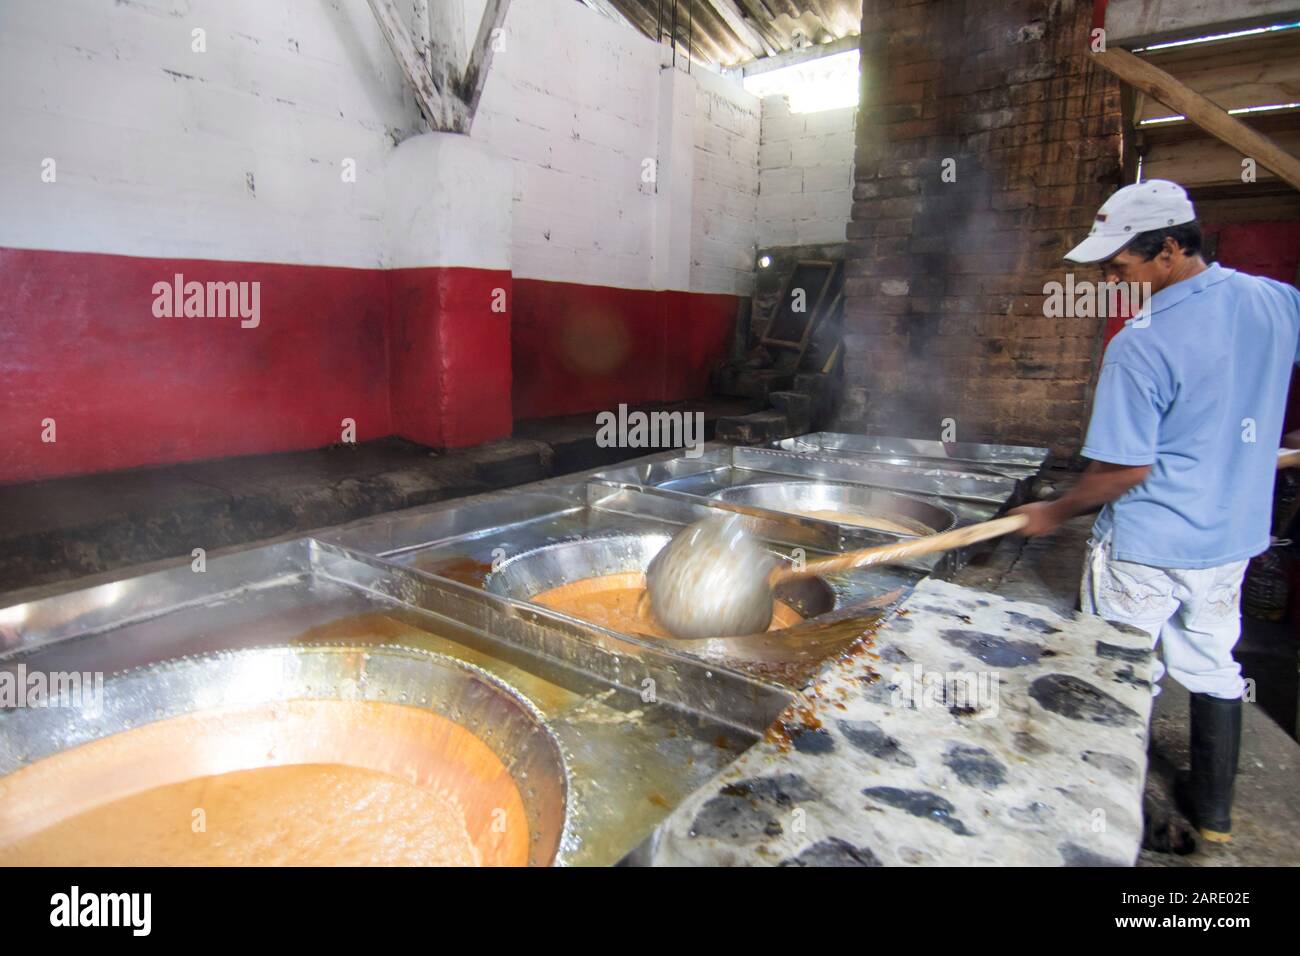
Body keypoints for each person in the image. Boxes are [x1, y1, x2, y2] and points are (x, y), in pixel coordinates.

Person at [1010, 179, 1300, 844]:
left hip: (1146, 544)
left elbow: (1124, 471)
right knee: (1210, 662)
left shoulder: (1141, 341)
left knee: (1115, 670)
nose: (1115, 281)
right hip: (1231, 539)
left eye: (1121, 265)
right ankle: (1215, 814)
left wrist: (1054, 512)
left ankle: (1106, 821)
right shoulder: (1273, 302)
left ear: (1170, 247)